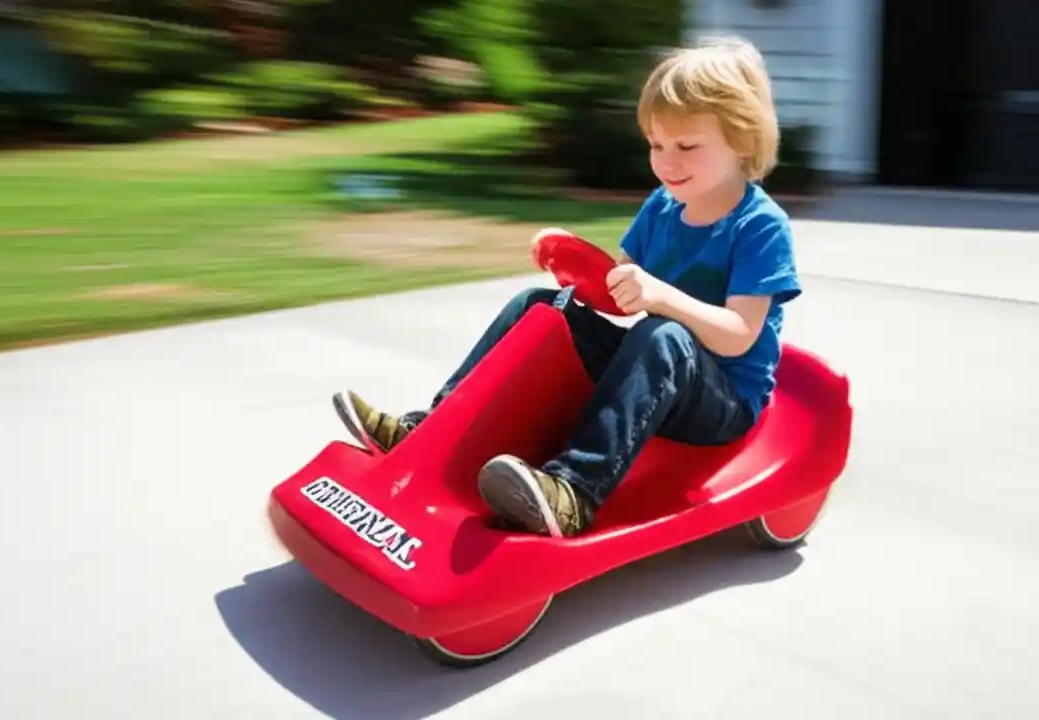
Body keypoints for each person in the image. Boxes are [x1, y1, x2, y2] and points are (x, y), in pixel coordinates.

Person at [332, 37, 802, 538]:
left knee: (665, 335)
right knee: (538, 305)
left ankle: (574, 492)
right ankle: (428, 429)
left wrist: (661, 297)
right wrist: (570, 263)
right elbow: (615, 294)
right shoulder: (662, 206)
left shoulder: (759, 226)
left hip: (722, 401)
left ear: (743, 140)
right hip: (658, 368)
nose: (667, 161)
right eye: (656, 145)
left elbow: (739, 335)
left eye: (686, 146)